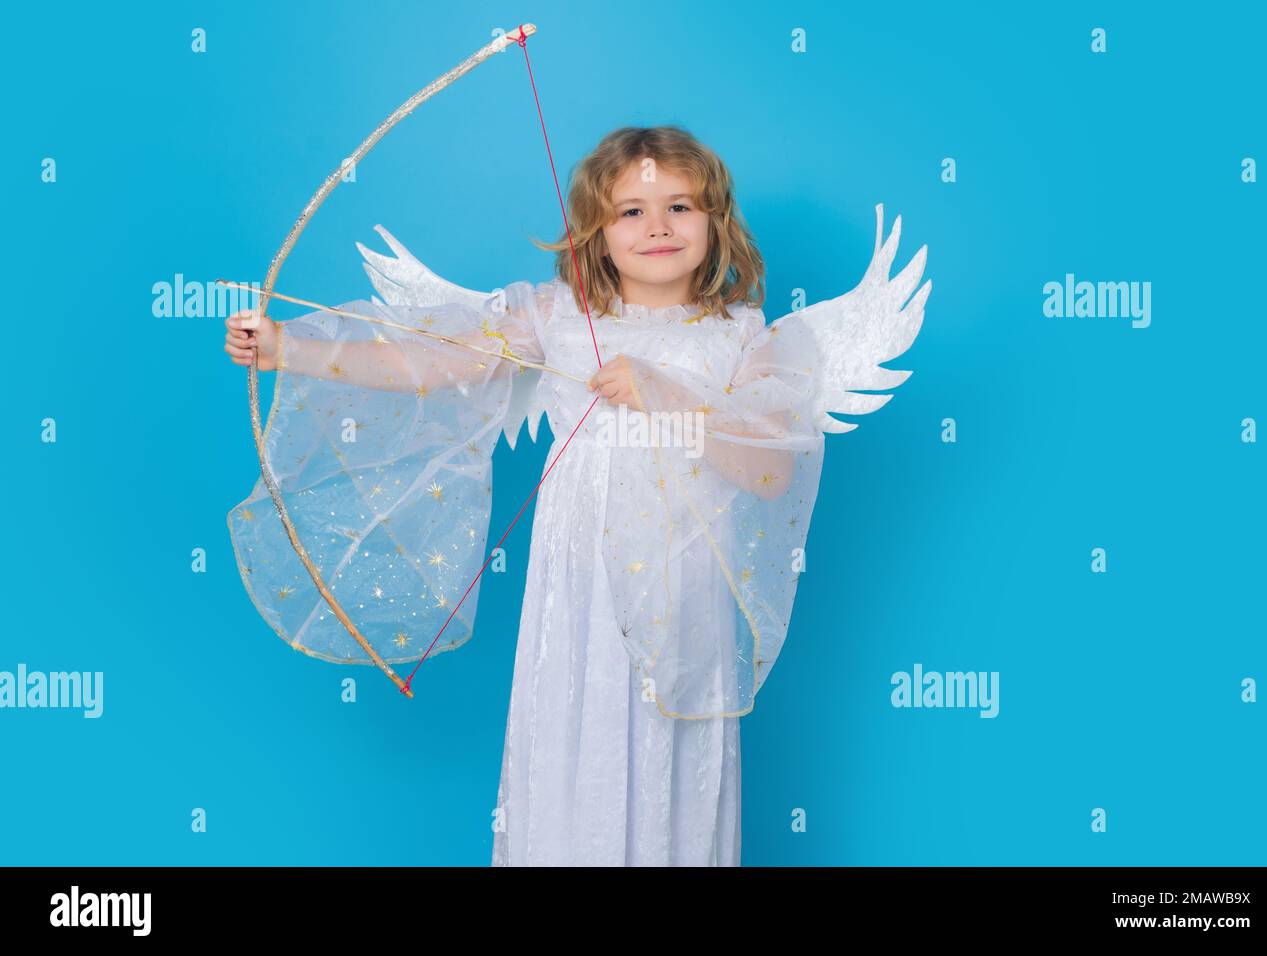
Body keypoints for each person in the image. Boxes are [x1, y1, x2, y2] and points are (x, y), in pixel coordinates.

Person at [224, 125, 928, 866]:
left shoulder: (745, 338)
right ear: (595, 231)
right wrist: (289, 348)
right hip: (579, 582)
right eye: (630, 211)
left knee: (669, 746)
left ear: (717, 224)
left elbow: (768, 469)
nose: (657, 225)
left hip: (682, 588)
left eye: (681, 206)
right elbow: (430, 363)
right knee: (574, 728)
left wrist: (663, 392)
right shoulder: (556, 316)